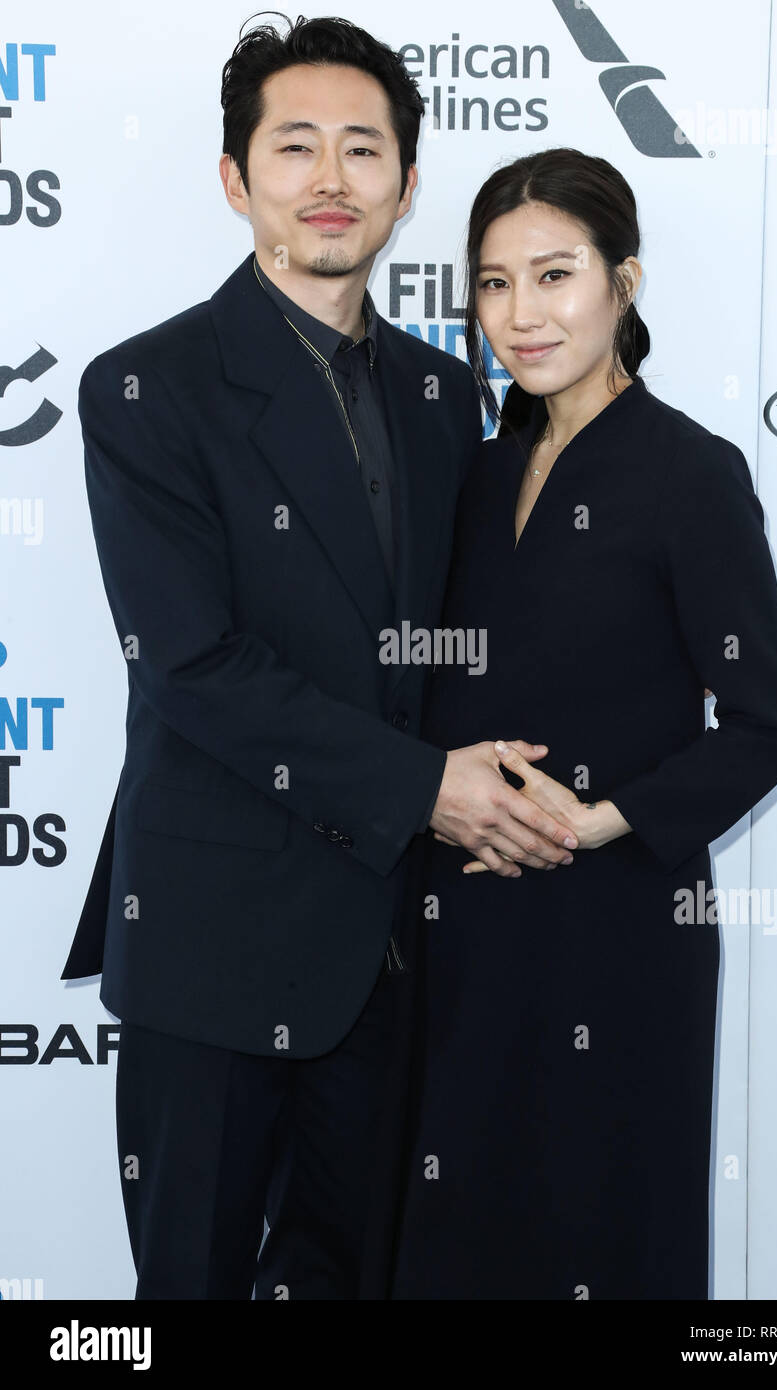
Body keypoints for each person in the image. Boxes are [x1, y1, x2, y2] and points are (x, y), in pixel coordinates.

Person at [60, 17, 579, 1301]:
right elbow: (193, 666)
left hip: (391, 943)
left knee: (353, 1279)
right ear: (237, 179)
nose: (331, 178)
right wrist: (427, 789)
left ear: (407, 189)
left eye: (364, 149)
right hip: (212, 935)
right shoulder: (146, 388)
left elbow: (456, 641)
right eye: (296, 146)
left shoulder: (439, 394)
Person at [389, 148, 777, 1300]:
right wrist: (434, 783)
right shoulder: (468, 478)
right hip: (457, 918)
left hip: (616, 929)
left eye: (554, 275)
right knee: (450, 1237)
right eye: (492, 283)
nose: (521, 315)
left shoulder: (690, 473)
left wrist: (593, 821)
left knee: (605, 1225)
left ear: (623, 282)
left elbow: (762, 725)